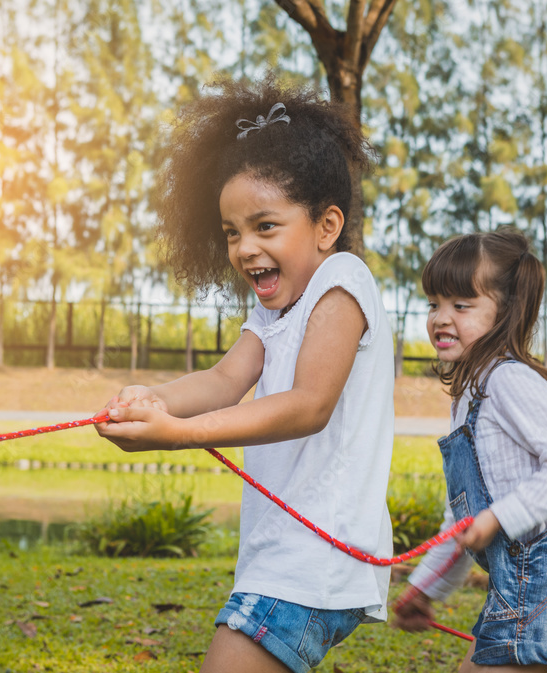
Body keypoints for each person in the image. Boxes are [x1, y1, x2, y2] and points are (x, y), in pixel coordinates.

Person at [95, 76, 395, 673]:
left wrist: (177, 434)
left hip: (312, 560)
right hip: (284, 558)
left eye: (265, 226)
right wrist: (154, 400)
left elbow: (309, 404)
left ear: (326, 227)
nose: (243, 248)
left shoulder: (342, 283)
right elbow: (226, 378)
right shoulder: (275, 308)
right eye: (233, 232)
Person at [393, 228, 547, 672]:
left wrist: (499, 517)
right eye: (434, 303)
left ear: (505, 311)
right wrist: (426, 586)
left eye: (461, 305)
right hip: (520, 580)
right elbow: (464, 520)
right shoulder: (469, 396)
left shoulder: (507, 380)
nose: (440, 317)